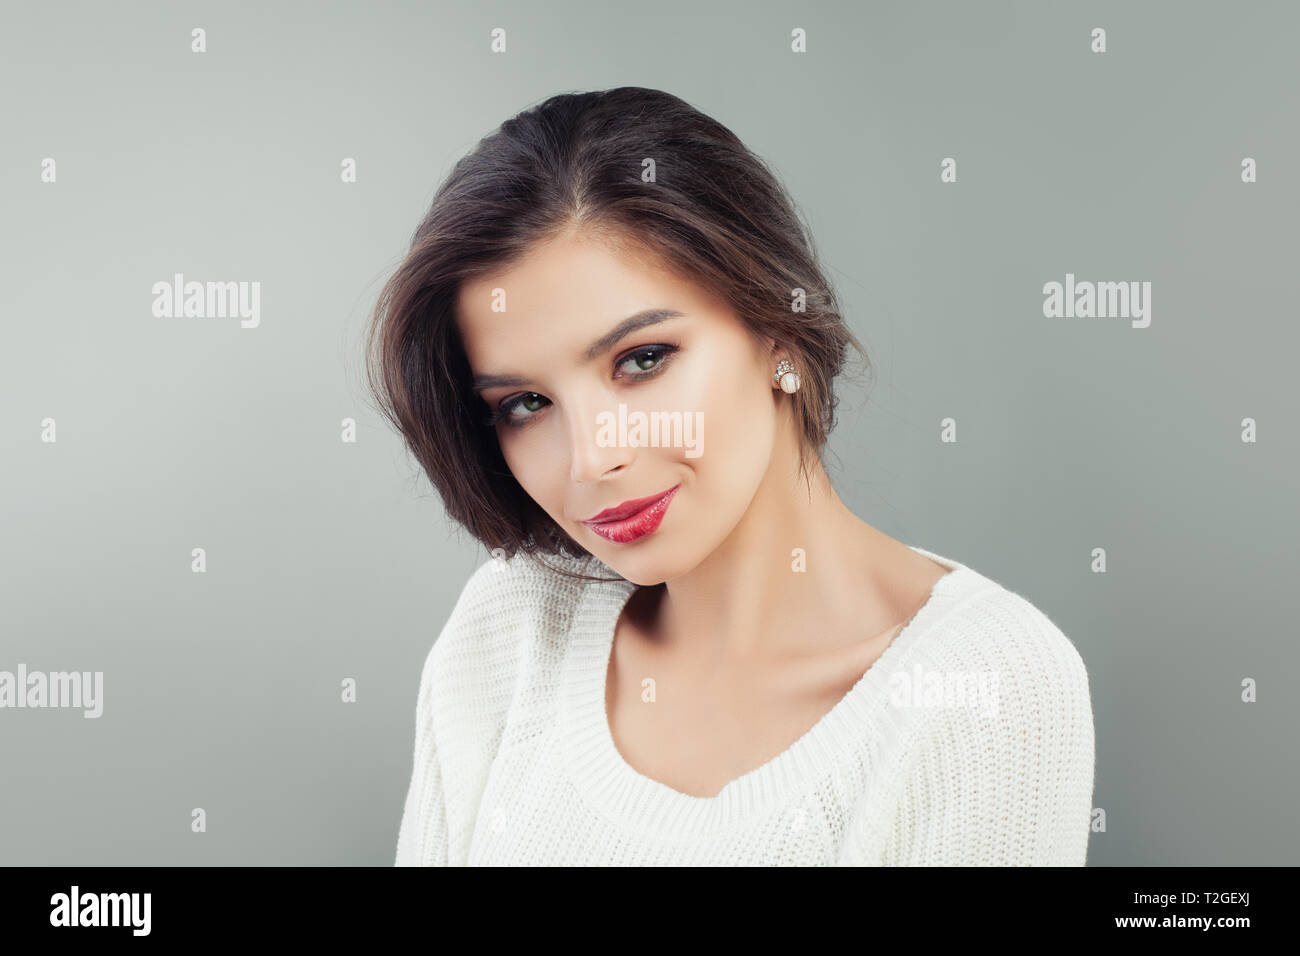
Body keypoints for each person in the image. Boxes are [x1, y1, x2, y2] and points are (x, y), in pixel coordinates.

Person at [369, 87, 1095, 865]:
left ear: (778, 330)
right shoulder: (512, 628)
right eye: (526, 404)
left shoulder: (981, 685)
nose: (591, 459)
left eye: (642, 360)